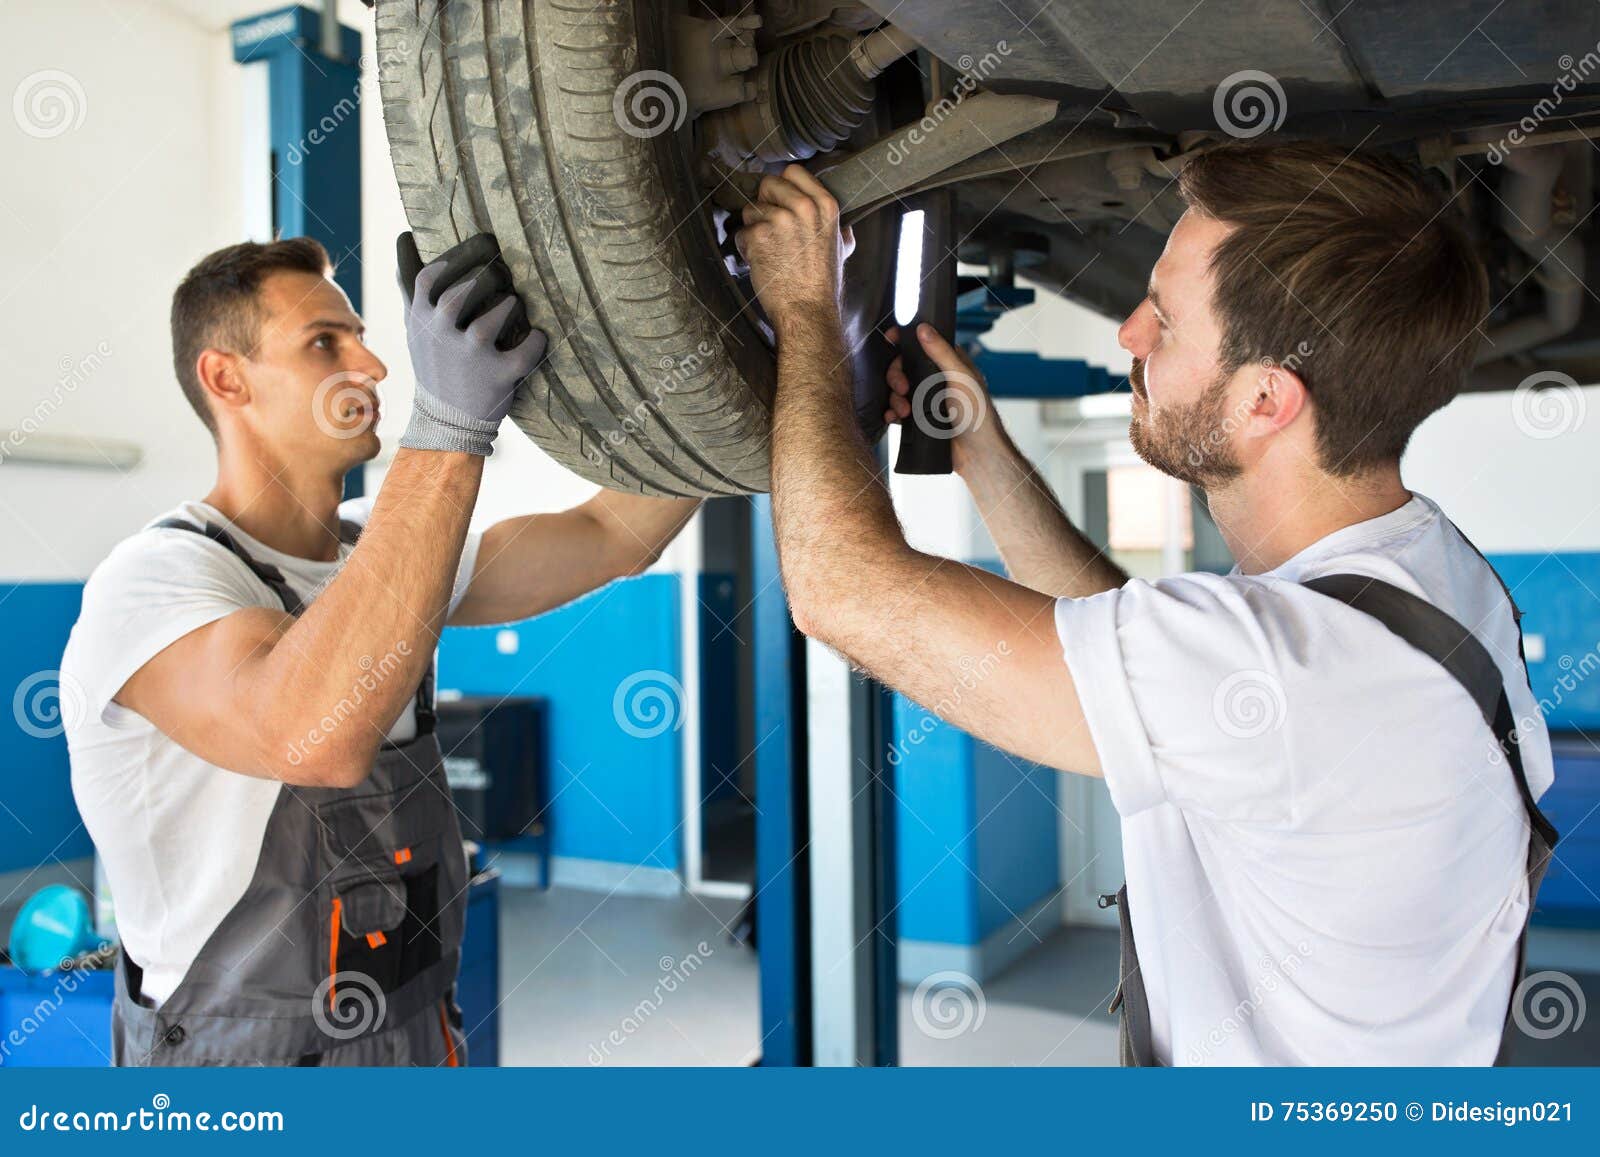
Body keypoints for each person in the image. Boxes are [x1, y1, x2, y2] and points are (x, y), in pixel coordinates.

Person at [736, 141, 1557, 1065]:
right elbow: (1145, 664)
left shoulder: (1282, 669)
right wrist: (985, 454)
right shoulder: (1429, 571)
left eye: (1162, 321)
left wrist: (806, 313)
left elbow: (843, 593)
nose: (1128, 332)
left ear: (1265, 402)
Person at [63, 234, 697, 1066]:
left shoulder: (379, 548)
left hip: (415, 1038)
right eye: (326, 343)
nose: (374, 366)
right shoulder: (155, 582)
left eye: (362, 334)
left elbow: (610, 533)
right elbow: (312, 734)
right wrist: (450, 425)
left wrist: (733, 395)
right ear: (227, 378)